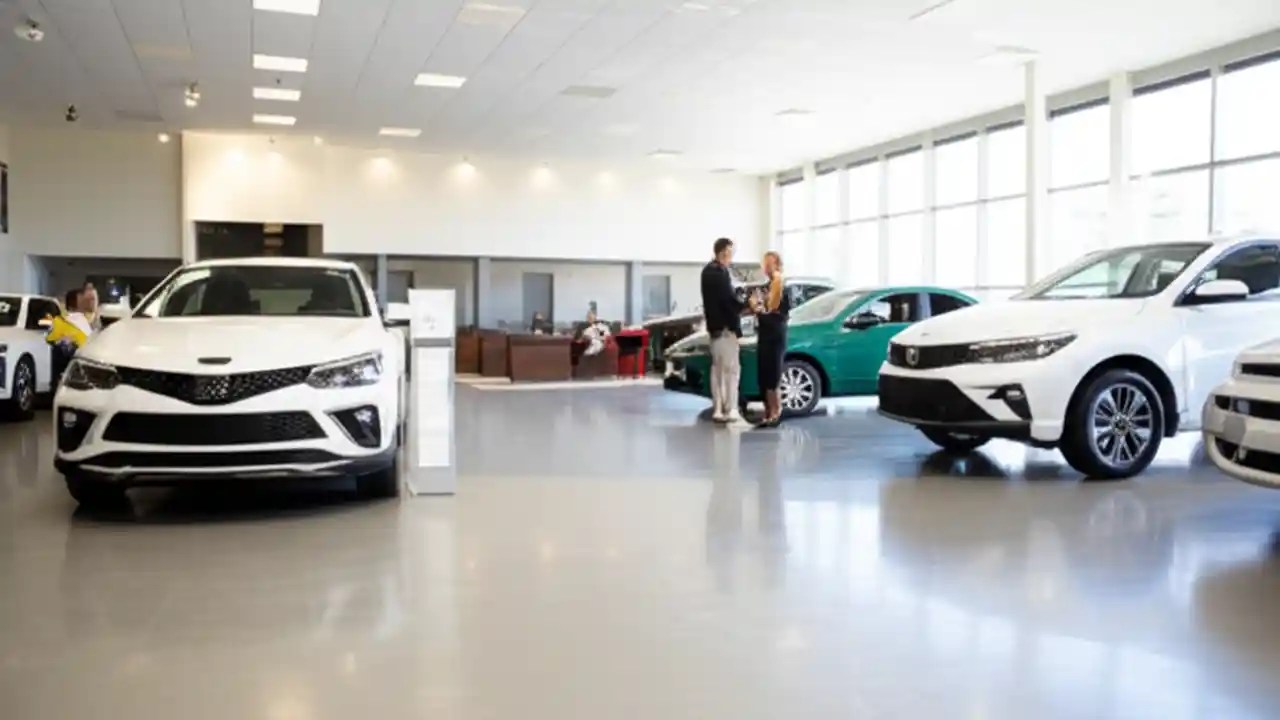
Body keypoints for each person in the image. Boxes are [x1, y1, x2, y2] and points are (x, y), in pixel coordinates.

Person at [700, 237, 751, 425]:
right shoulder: (720, 273)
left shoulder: (706, 271)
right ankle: (730, 409)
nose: (731, 257)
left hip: (714, 330)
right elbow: (729, 301)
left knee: (717, 371)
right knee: (731, 371)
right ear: (724, 252)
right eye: (731, 252)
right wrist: (747, 305)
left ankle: (718, 409)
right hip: (725, 330)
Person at [753, 251, 790, 428]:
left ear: (777, 265)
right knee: (764, 374)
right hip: (765, 334)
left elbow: (774, 311)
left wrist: (760, 310)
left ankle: (776, 411)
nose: (766, 267)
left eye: (770, 264)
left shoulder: (780, 284)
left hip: (775, 334)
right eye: (765, 264)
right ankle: (768, 411)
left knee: (773, 374)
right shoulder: (767, 286)